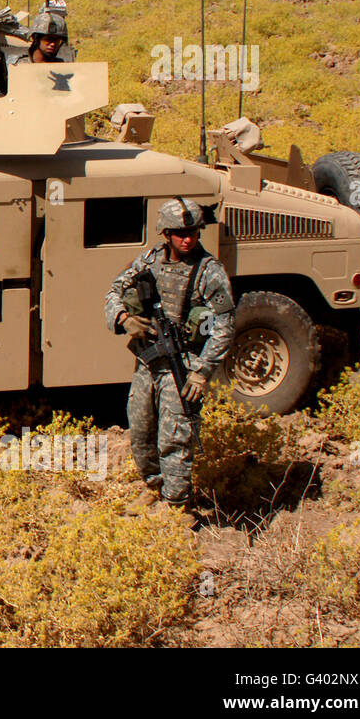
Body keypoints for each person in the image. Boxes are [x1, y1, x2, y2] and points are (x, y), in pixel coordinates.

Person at [103, 199, 235, 509]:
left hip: (184, 364)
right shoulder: (149, 260)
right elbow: (114, 292)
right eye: (179, 233)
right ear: (166, 233)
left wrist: (203, 371)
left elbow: (225, 325)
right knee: (141, 431)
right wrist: (124, 319)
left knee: (175, 438)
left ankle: (176, 507)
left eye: (192, 232)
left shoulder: (209, 272)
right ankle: (155, 487)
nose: (187, 239)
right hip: (149, 361)